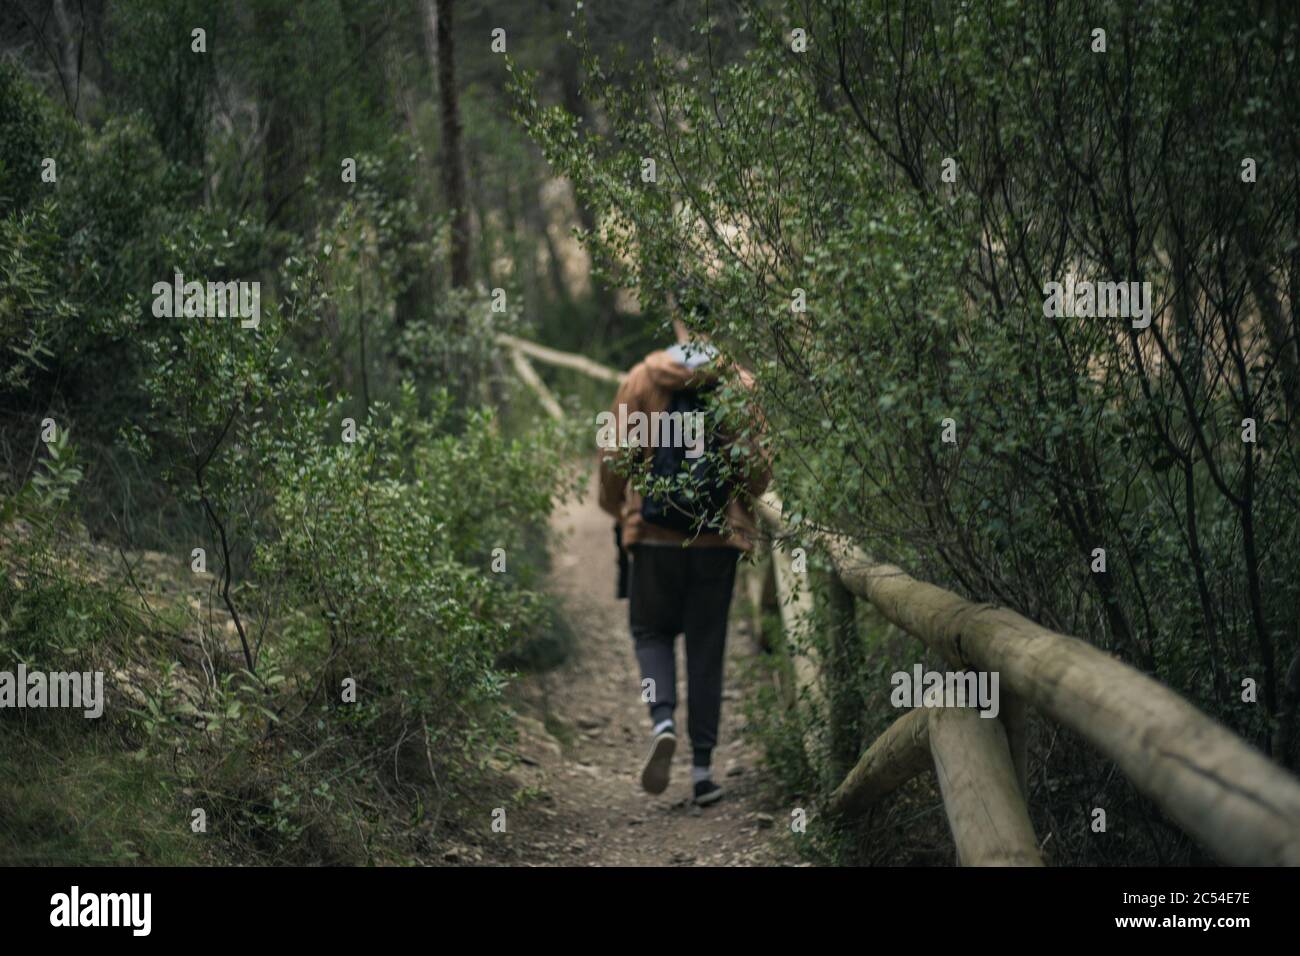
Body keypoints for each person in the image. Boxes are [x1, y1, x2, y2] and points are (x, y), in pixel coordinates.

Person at [598, 318, 771, 806]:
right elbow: (757, 473)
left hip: (653, 537)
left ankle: (663, 718)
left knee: (650, 634)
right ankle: (701, 771)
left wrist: (622, 509)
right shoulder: (739, 385)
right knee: (706, 647)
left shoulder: (641, 379)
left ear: (676, 319)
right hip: (715, 541)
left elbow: (614, 460)